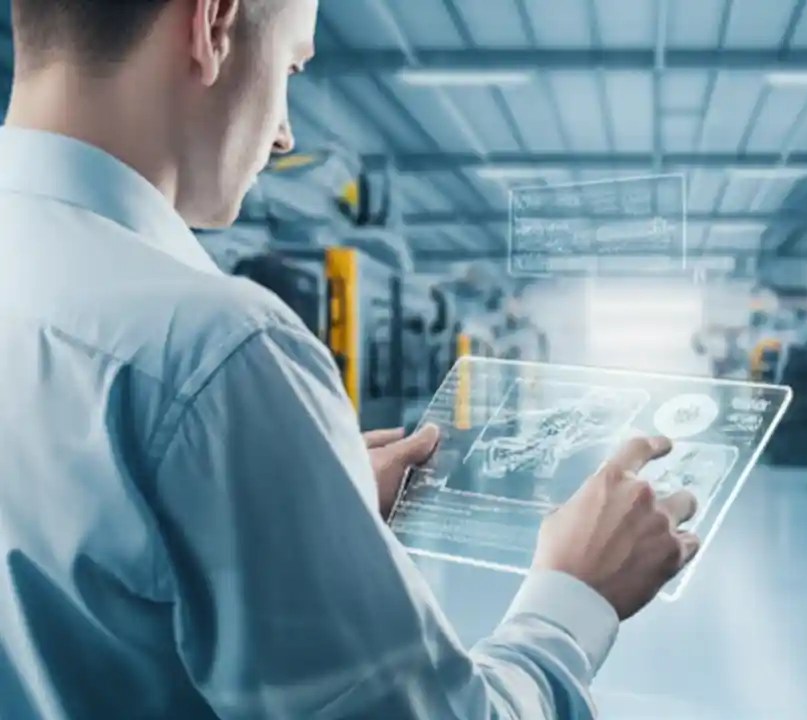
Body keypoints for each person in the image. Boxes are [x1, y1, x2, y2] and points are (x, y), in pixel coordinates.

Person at [0, 1, 700, 718]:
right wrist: (572, 600)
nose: (283, 134)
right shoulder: (218, 351)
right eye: (291, 68)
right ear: (212, 25)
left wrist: (297, 508)